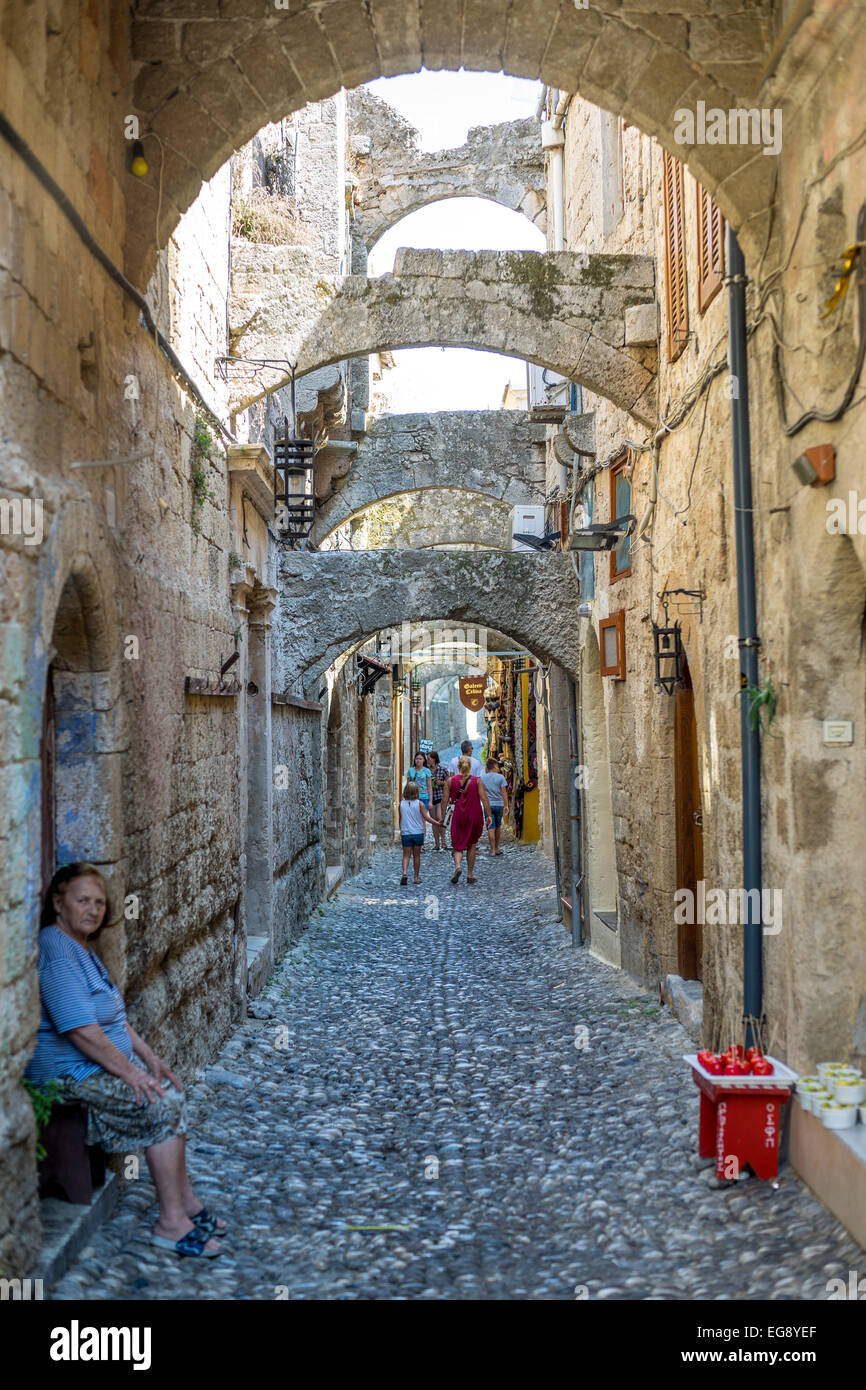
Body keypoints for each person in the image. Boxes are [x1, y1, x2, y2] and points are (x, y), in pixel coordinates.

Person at [25, 863, 226, 1258]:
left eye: (100, 902)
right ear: (57, 902)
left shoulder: (82, 947)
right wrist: (132, 1074)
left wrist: (149, 1059)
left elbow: (112, 1017)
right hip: (68, 1073)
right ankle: (170, 1224)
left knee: (167, 1089)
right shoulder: (55, 946)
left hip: (93, 1066)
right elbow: (80, 1030)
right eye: (82, 900)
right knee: (158, 1101)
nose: (94, 909)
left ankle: (187, 1205)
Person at [447, 755, 493, 886]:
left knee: (458, 844)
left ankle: (457, 866)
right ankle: (470, 874)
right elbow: (484, 799)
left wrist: (442, 818)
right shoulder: (476, 781)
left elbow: (445, 800)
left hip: (459, 815)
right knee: (472, 844)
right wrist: (489, 815)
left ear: (458, 767)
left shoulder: (451, 781)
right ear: (470, 767)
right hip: (475, 815)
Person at [399, 781, 436, 885]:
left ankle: (405, 873)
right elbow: (426, 818)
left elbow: (400, 819)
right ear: (416, 792)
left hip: (406, 833)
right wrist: (437, 823)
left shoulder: (401, 804)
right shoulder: (419, 804)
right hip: (418, 833)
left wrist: (401, 830)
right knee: (417, 856)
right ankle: (416, 877)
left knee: (406, 855)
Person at [481, 756, 510, 856]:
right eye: (497, 765)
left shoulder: (482, 778)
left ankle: (492, 850)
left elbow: (481, 793)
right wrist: (506, 805)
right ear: (494, 766)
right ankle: (497, 848)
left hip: (488, 805)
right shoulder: (501, 777)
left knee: (490, 826)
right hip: (499, 805)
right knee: (498, 826)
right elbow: (504, 793)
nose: (498, 767)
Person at [427, 751, 450, 851]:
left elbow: (449, 783)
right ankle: (437, 844)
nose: (428, 760)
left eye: (429, 758)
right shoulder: (426, 771)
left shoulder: (443, 770)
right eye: (427, 759)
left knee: (440, 818)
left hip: (440, 797)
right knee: (434, 821)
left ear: (435, 759)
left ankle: (444, 842)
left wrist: (441, 782)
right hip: (431, 798)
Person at [407, 752, 433, 839]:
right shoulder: (411, 770)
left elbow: (429, 786)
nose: (418, 760)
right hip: (412, 797)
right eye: (417, 759)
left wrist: (430, 801)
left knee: (422, 820)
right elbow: (408, 785)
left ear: (424, 760)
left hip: (424, 797)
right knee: (413, 819)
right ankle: (413, 838)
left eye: (420, 759)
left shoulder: (427, 771)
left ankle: (421, 842)